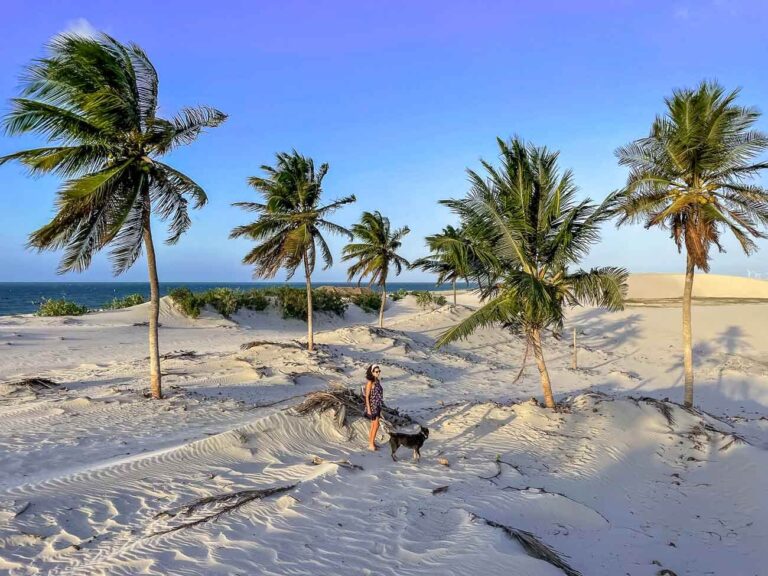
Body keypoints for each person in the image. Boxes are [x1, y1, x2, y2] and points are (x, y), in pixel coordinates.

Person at [363, 364, 383, 451]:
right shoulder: (370, 382)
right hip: (372, 406)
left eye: (379, 371)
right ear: (372, 372)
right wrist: (368, 409)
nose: (378, 373)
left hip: (378, 405)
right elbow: (367, 396)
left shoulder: (377, 381)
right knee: (376, 424)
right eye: (376, 371)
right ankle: (371, 445)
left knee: (373, 425)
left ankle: (371, 442)